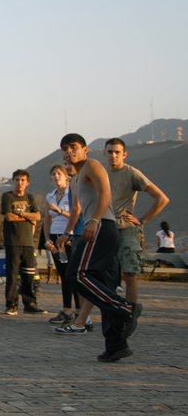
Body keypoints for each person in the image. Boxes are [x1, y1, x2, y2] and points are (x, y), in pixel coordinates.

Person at [56, 134, 141, 362]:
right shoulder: (75, 179)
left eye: (73, 147)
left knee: (77, 275)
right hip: (93, 228)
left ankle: (124, 307)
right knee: (104, 286)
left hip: (102, 227)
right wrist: (66, 233)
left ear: (85, 150)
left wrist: (94, 220)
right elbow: (75, 210)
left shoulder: (92, 165)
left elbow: (105, 193)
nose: (69, 152)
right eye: (65, 149)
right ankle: (116, 345)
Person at [103, 138, 169, 304]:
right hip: (105, 227)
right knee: (105, 274)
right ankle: (112, 312)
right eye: (110, 152)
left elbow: (162, 198)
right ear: (104, 154)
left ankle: (130, 312)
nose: (113, 155)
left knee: (129, 274)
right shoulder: (101, 174)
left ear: (124, 154)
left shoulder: (131, 173)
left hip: (126, 228)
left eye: (117, 152)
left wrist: (142, 219)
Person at [0, 169, 46, 315]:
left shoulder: (30, 198)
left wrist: (21, 213)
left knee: (29, 274)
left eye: (23, 180)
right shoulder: (7, 197)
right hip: (13, 241)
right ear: (13, 181)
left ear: (27, 183)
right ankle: (11, 304)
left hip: (28, 241)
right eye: (17, 180)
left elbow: (38, 216)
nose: (20, 183)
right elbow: (9, 217)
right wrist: (28, 216)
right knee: (12, 274)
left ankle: (30, 303)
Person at [41, 165, 80, 325]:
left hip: (69, 235)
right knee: (63, 274)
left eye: (59, 174)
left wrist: (61, 212)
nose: (56, 177)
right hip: (55, 236)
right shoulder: (50, 196)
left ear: (66, 177)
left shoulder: (72, 194)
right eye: (53, 174)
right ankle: (66, 309)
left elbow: (77, 213)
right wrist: (47, 239)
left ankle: (79, 310)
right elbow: (47, 219)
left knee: (73, 274)